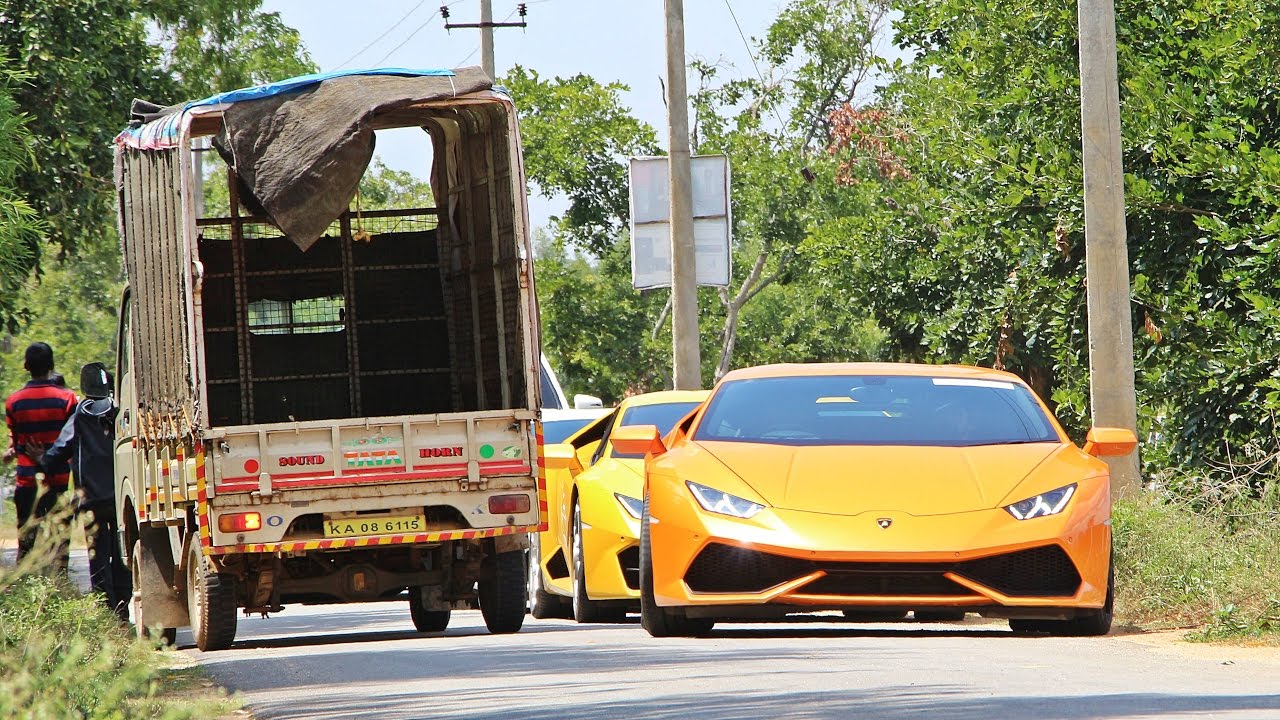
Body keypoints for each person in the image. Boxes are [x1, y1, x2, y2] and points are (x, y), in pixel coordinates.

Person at [41, 362, 131, 621]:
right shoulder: (119, 412)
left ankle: (107, 612)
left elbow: (60, 449)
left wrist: (41, 462)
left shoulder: (80, 414)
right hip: (121, 497)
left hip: (91, 500)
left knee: (98, 558)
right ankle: (123, 610)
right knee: (122, 554)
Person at [3, 342, 77, 566]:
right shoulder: (68, 399)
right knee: (60, 544)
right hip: (58, 480)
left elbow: (17, 441)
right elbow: (71, 439)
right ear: (51, 365)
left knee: (26, 543)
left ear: (26, 366)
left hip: (27, 482)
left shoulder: (14, 402)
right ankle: (60, 582)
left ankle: (24, 582)